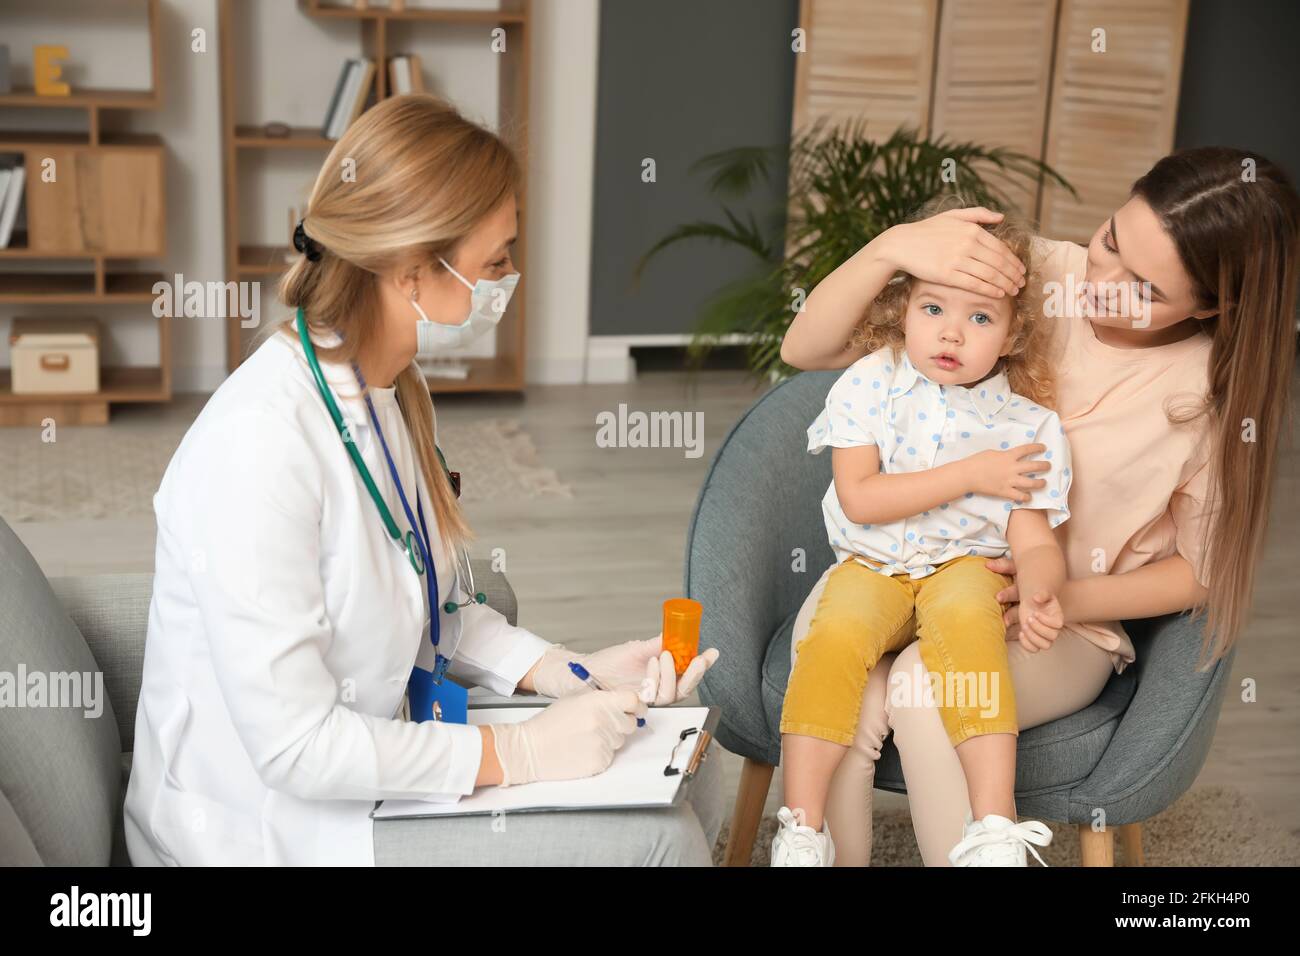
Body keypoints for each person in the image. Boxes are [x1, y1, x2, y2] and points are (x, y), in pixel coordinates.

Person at [125, 94, 721, 867]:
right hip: (271, 827)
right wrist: (521, 756)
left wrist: (573, 672)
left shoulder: (392, 390)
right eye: (494, 260)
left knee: (676, 760)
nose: (509, 279)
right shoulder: (257, 446)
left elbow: (433, 606)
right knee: (662, 841)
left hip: (381, 743)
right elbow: (296, 749)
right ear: (411, 272)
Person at [779, 147, 1300, 866]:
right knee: (837, 675)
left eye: (1143, 289)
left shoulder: (1207, 400)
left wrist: (1055, 594)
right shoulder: (1031, 276)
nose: (1102, 285)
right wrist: (890, 247)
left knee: (928, 691)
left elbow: (1201, 574)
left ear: (1212, 305)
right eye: (1112, 240)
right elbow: (807, 347)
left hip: (1058, 621)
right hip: (892, 561)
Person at [773, 202, 1067, 866]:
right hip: (872, 564)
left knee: (971, 624)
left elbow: (1034, 540)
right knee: (834, 636)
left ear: (1013, 334)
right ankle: (802, 827)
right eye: (933, 309)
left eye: (981, 318)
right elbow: (862, 499)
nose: (952, 335)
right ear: (901, 308)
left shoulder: (1026, 424)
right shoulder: (870, 382)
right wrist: (973, 474)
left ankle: (994, 825)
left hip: (964, 565)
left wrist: (1044, 589)